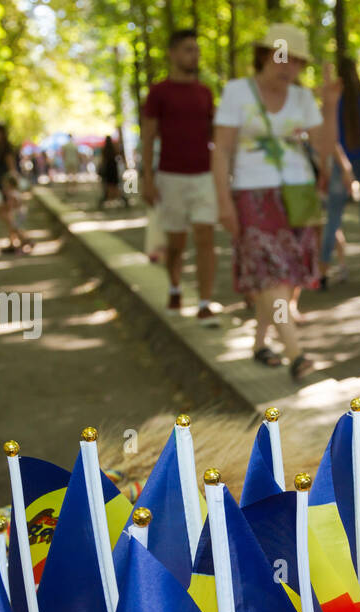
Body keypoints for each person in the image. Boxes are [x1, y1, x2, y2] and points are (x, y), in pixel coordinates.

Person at [214, 23, 339, 381]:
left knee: (283, 277)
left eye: (297, 61)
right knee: (271, 274)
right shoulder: (237, 92)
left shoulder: (302, 99)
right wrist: (223, 202)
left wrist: (330, 106)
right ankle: (295, 352)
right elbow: (221, 150)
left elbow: (324, 147)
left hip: (298, 195)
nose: (289, 67)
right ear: (265, 55)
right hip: (252, 196)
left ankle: (260, 343)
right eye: (283, 57)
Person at [142, 29, 222, 321]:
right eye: (188, 50)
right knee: (176, 244)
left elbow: (216, 136)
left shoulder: (205, 93)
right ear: (173, 53)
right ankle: (175, 287)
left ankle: (204, 303)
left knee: (205, 238)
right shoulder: (158, 92)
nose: (194, 55)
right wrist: (147, 179)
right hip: (170, 176)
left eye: (196, 50)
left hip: (203, 176)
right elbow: (147, 137)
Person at [320, 56, 360, 293]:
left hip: (343, 163)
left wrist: (342, 166)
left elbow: (332, 140)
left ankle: (322, 273)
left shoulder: (336, 106)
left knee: (333, 220)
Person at [0, 122, 32, 254]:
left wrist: (11, 188)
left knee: (5, 213)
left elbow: (12, 169)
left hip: (7, 186)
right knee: (6, 213)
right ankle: (14, 241)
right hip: (1, 185)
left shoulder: (6, 149)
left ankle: (24, 238)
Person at [98, 134, 126, 207]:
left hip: (107, 167)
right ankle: (116, 197)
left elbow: (102, 159)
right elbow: (119, 155)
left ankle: (110, 198)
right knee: (114, 184)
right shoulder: (114, 148)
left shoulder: (104, 149)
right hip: (113, 167)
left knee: (109, 184)